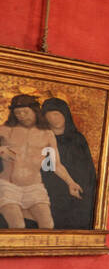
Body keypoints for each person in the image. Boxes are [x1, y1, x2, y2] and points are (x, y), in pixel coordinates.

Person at [0, 94, 82, 230]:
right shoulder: (5, 130)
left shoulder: (47, 134)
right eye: (17, 113)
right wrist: (1, 150)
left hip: (34, 187)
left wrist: (70, 182)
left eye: (25, 112)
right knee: (17, 225)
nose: (21, 115)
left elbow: (55, 164)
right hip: (8, 186)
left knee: (48, 225)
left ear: (35, 111)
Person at [41, 98, 97, 229]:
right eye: (50, 115)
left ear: (65, 115)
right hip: (52, 192)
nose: (54, 119)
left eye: (57, 114)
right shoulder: (44, 139)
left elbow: (88, 170)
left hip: (78, 192)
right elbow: (49, 166)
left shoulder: (78, 138)